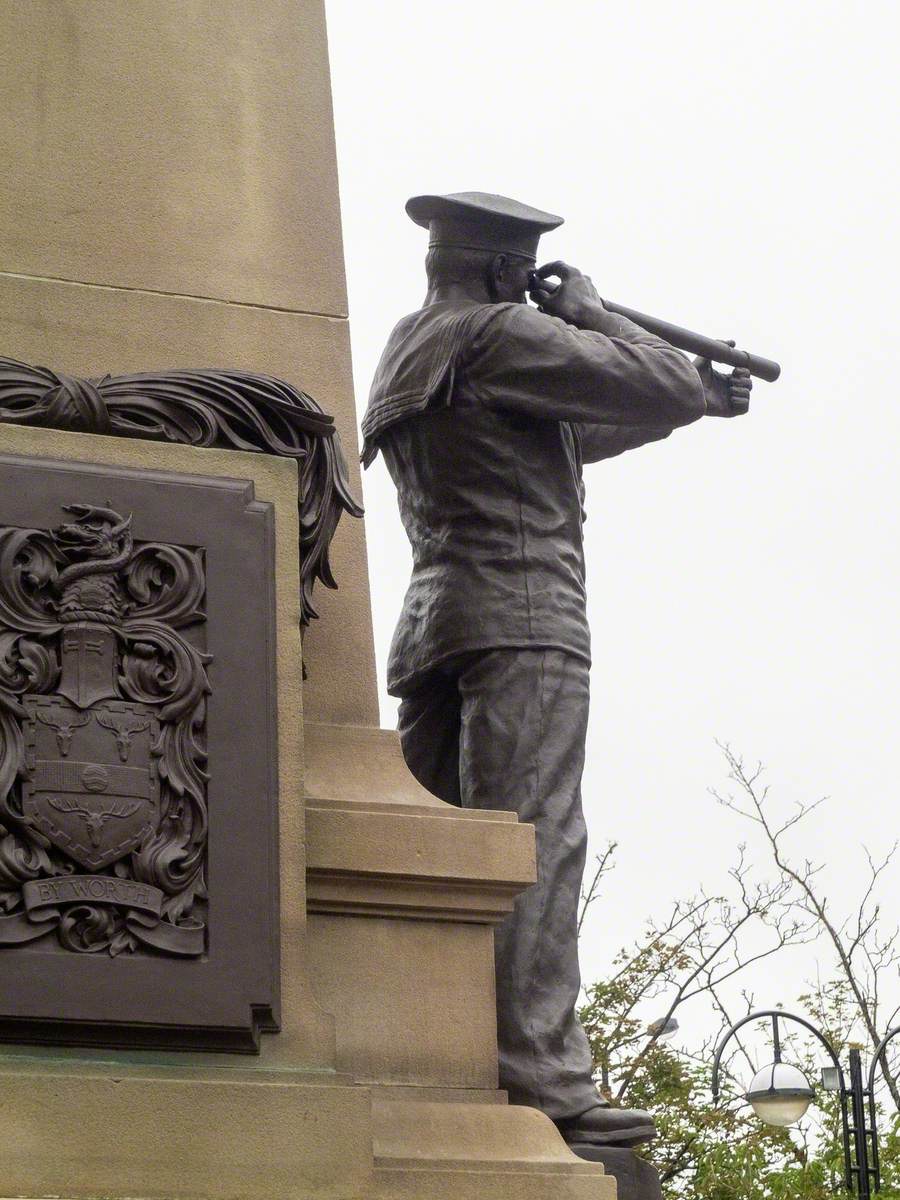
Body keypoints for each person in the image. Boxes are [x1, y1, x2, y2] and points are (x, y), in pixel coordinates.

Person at [361, 192, 751, 1151]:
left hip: (436, 625)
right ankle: (541, 1073)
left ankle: (427, 1054)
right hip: (527, 617)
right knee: (538, 841)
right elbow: (642, 381)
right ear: (507, 272)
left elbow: (575, 427)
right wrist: (597, 315)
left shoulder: (418, 342)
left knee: (443, 861)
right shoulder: (501, 334)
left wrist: (697, 397)